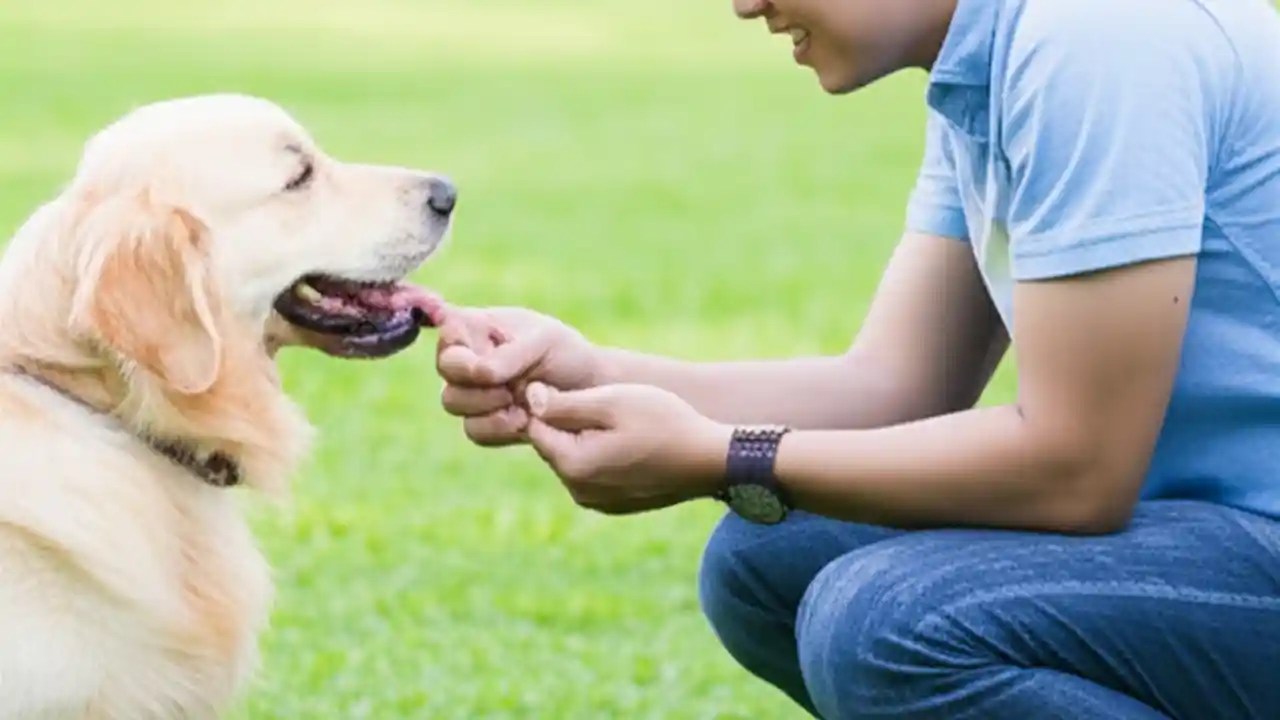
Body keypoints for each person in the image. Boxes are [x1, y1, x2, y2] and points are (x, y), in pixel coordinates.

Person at [433, 0, 1280, 717]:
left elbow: (1076, 471)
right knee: (769, 561)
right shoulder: (993, 66)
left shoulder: (1096, 44)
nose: (742, 3)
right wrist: (597, 373)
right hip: (1221, 531)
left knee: (886, 620)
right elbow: (897, 385)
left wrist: (720, 454)